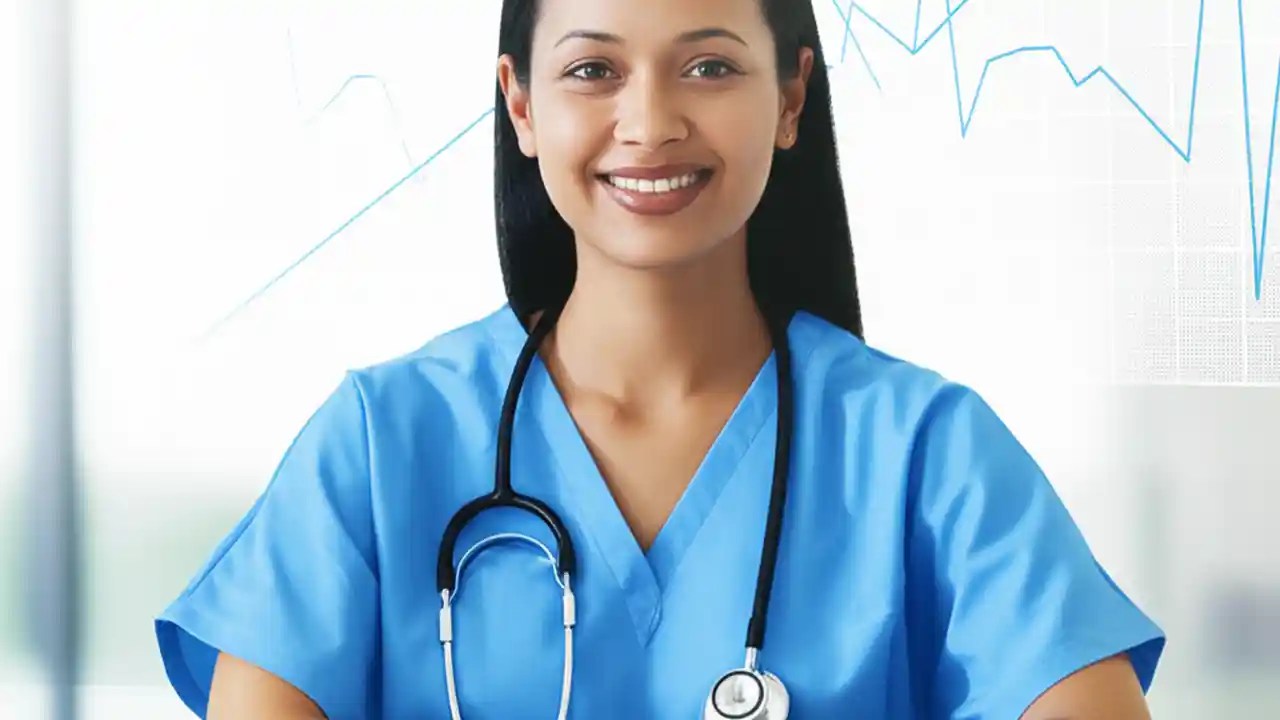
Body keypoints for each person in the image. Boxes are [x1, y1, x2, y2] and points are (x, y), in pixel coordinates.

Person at [154, 0, 1166, 717]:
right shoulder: (378, 445)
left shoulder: (928, 457)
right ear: (519, 104)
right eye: (593, 70)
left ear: (791, 97)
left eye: (710, 66)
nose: (649, 124)